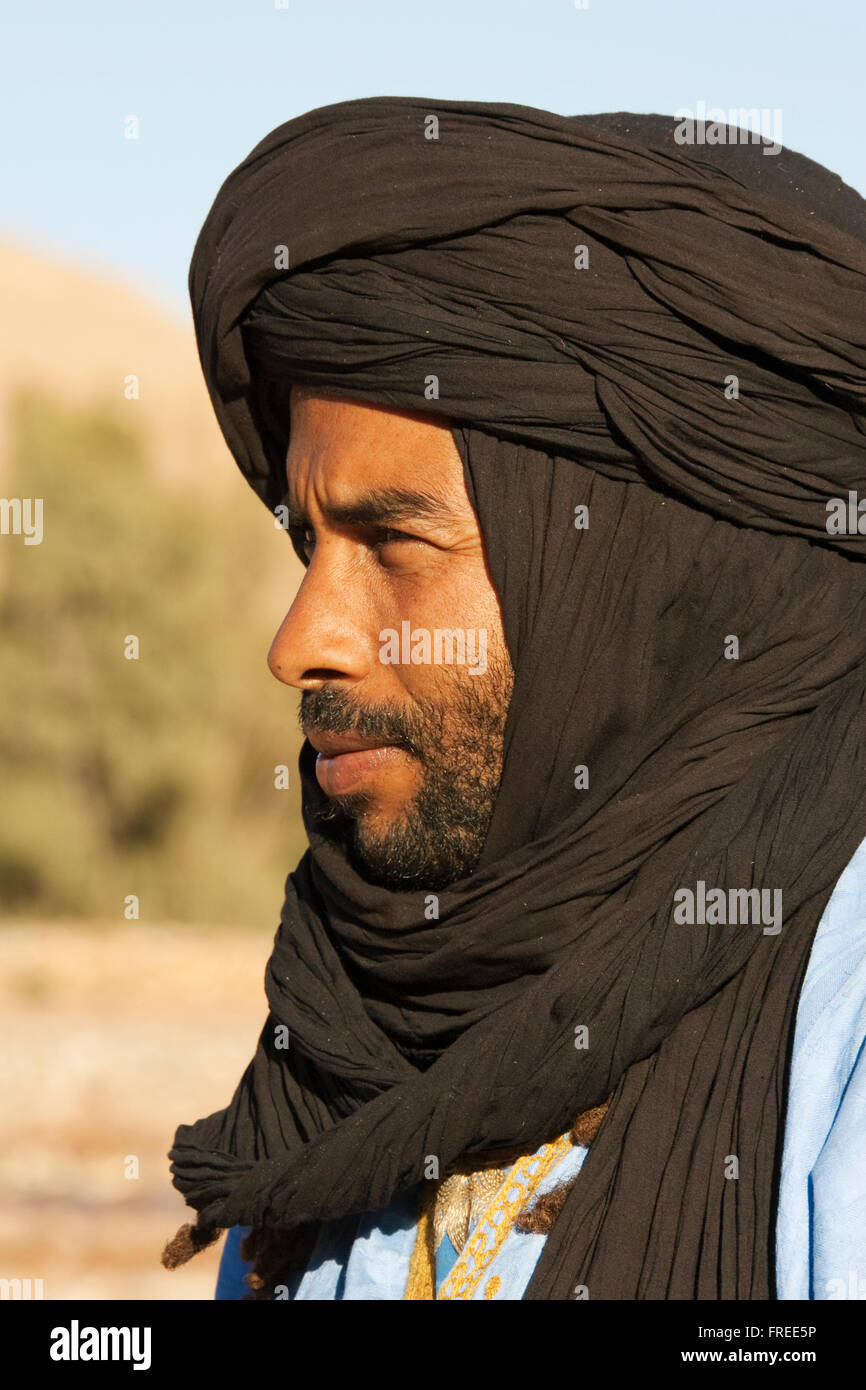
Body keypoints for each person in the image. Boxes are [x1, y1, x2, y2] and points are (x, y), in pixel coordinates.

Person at [162, 98, 866, 1300]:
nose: (299, 644)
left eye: (390, 540)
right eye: (307, 542)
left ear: (642, 579)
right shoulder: (358, 1022)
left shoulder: (837, 1045)